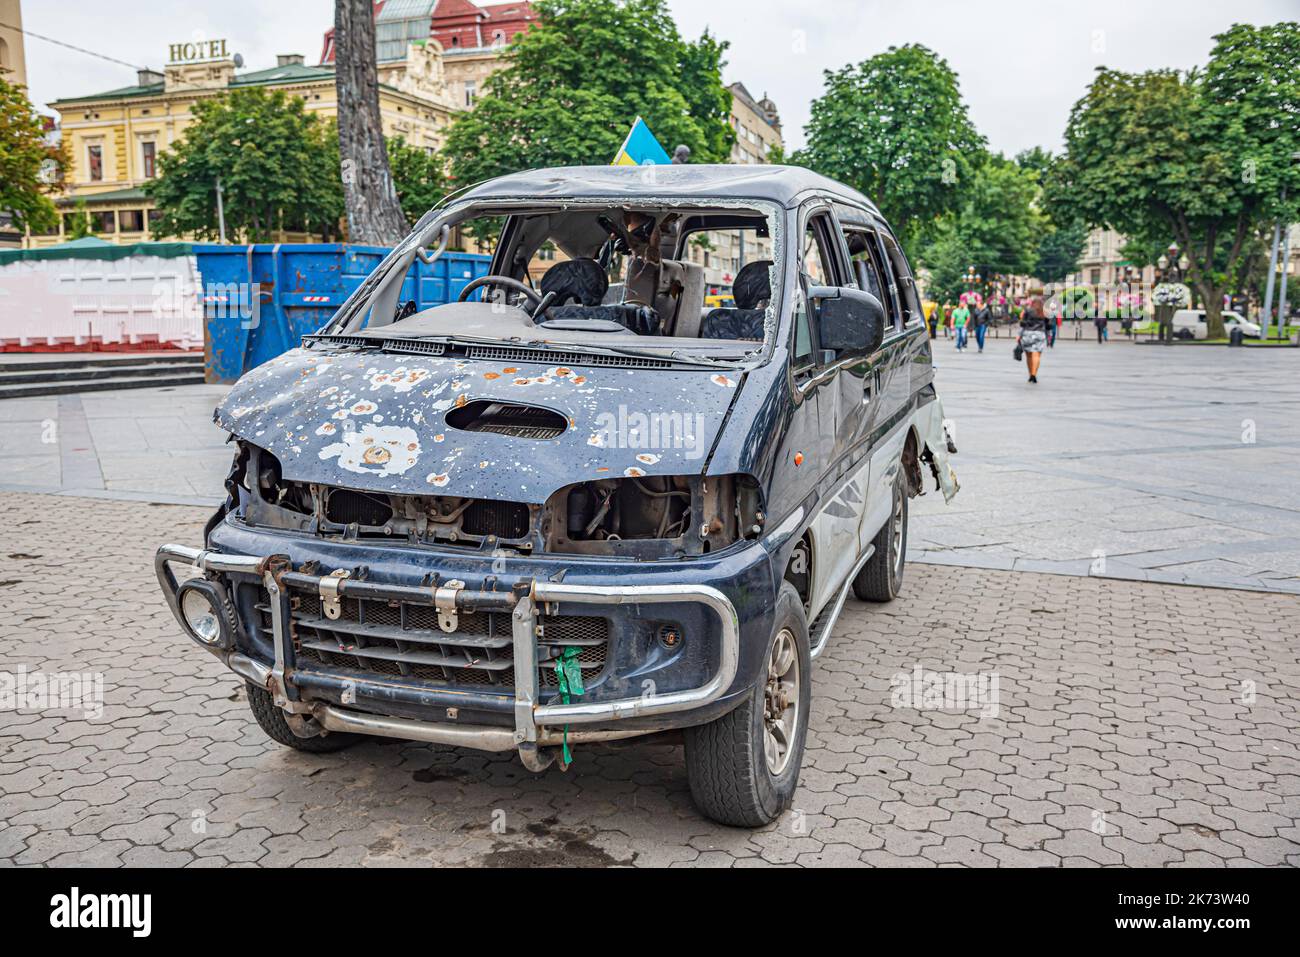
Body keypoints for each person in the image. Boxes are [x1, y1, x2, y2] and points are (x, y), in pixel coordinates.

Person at [1018, 296, 1049, 384]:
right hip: (1039, 334)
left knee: (1029, 356)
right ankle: (1034, 374)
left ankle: (1030, 374)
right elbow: (1049, 325)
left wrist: (1022, 318)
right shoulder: (1044, 312)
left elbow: (1023, 323)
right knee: (1037, 355)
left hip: (1028, 334)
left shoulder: (1028, 310)